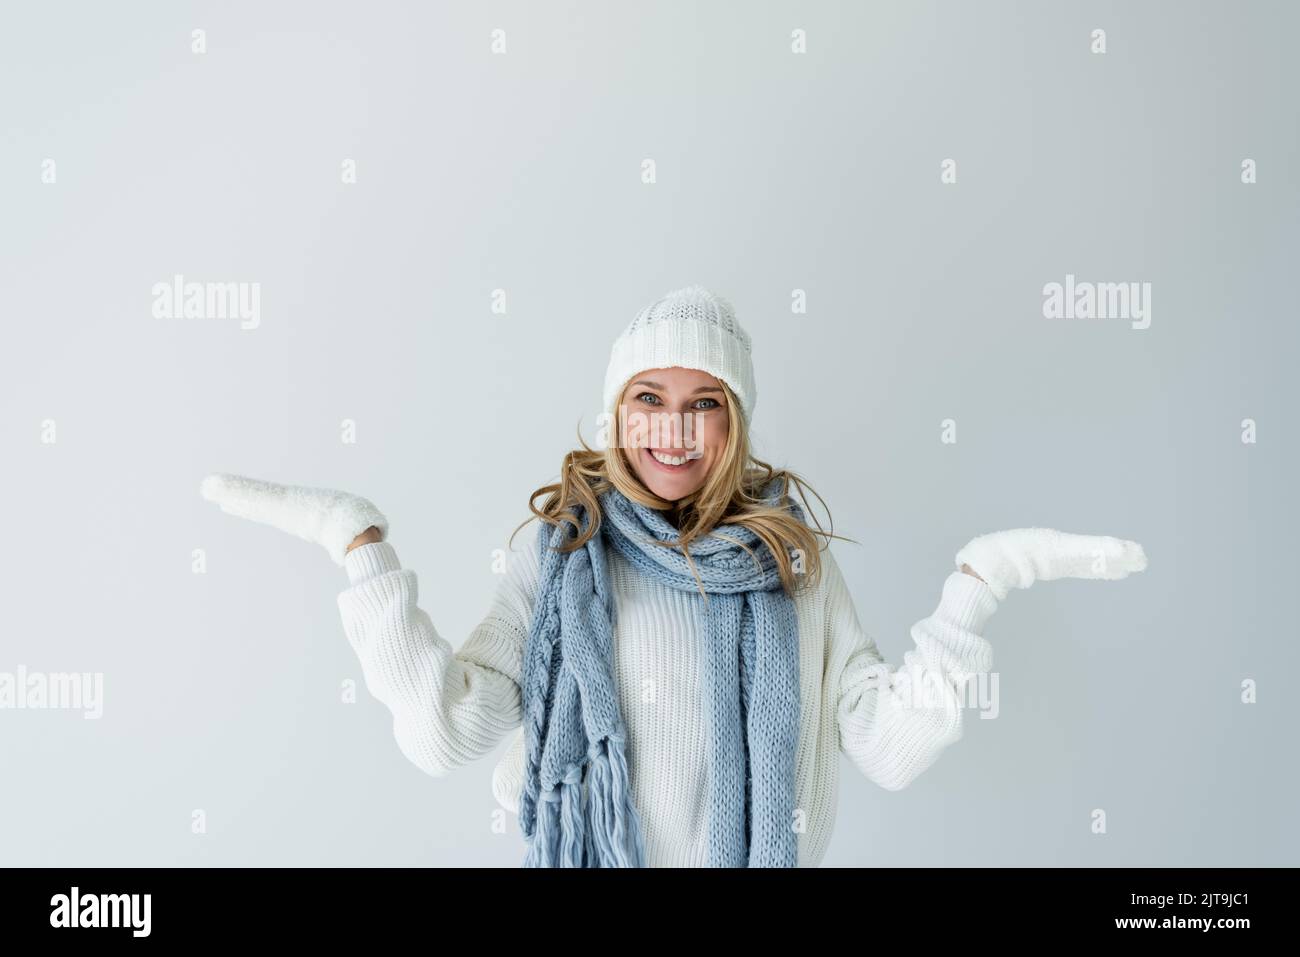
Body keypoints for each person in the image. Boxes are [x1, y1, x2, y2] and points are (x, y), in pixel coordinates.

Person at [200, 284, 1147, 867]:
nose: (673, 428)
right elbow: (448, 730)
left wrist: (982, 582)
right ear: (617, 411)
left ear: (735, 422)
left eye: (704, 403)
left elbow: (889, 747)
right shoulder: (561, 555)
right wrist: (359, 548)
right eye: (649, 398)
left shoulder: (793, 564)